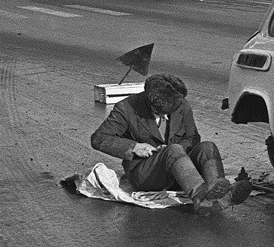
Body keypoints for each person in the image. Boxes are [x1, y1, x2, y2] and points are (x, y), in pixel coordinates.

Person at [91, 73, 252, 216]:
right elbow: (98, 138)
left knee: (207, 147)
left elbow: (193, 138)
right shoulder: (126, 108)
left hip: (182, 171)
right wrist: (134, 147)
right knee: (173, 150)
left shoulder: (181, 104)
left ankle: (217, 191)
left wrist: (175, 152)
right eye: (160, 113)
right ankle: (200, 198)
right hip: (146, 174)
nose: (166, 116)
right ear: (150, 102)